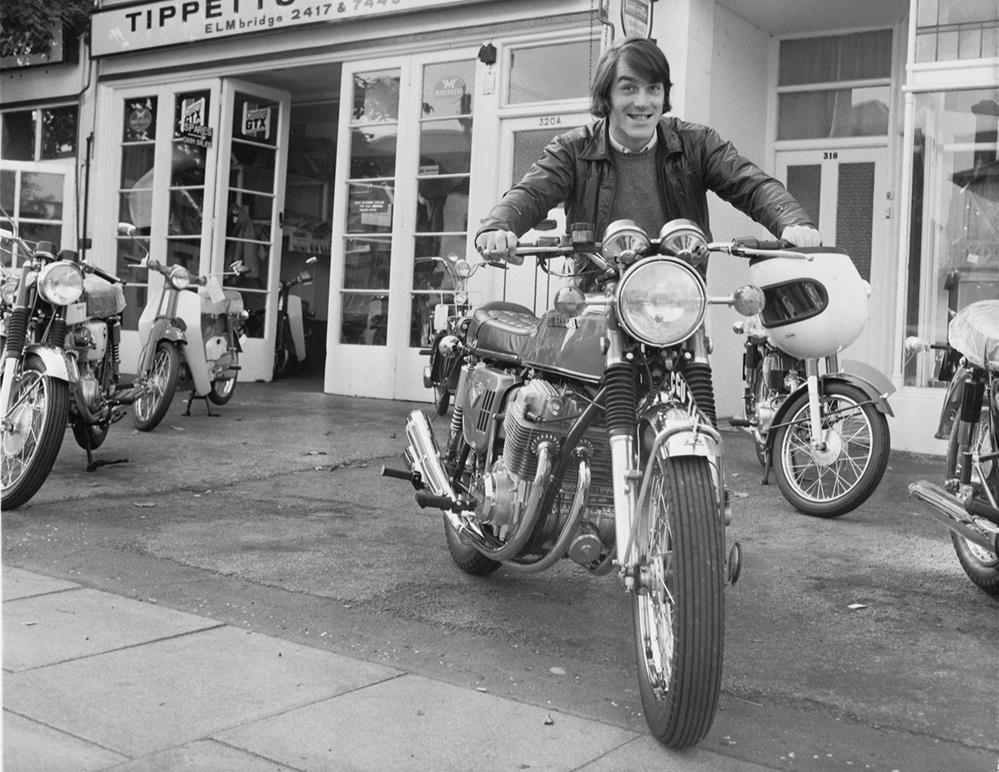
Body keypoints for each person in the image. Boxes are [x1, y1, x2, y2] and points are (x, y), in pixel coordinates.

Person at [474, 37, 821, 270]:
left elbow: (751, 183)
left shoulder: (696, 143)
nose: (642, 102)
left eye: (652, 89)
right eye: (628, 89)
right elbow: (532, 192)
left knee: (696, 375)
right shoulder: (573, 150)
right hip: (600, 299)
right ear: (606, 97)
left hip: (678, 299)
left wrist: (793, 221)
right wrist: (500, 227)